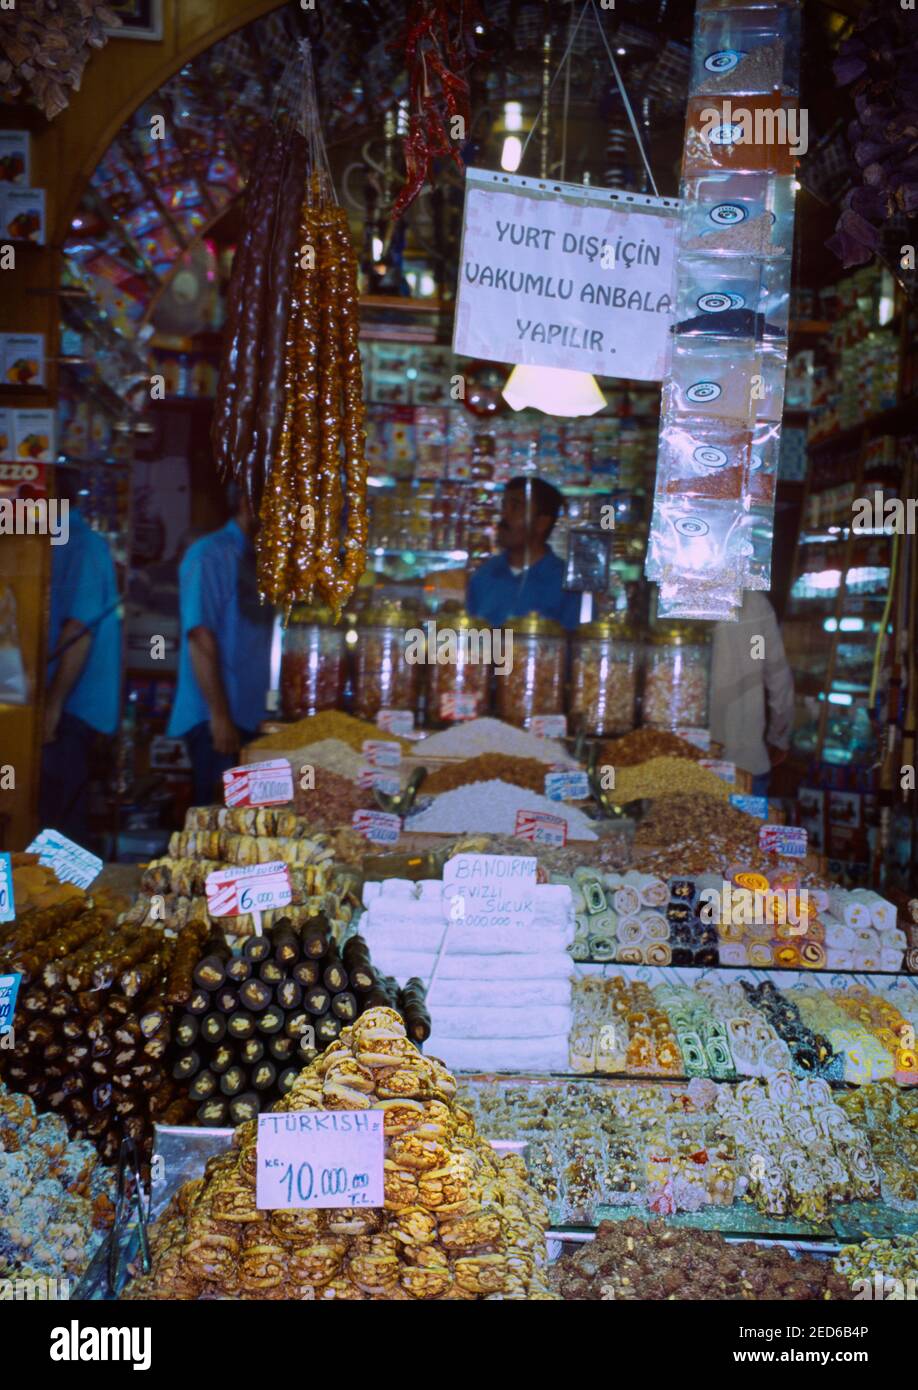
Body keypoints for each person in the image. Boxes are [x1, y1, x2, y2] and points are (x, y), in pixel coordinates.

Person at [167, 490, 275, 804]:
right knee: (217, 819)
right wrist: (220, 717)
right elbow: (200, 635)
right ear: (247, 503)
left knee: (246, 821)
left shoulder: (258, 556)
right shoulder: (210, 554)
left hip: (249, 716)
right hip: (216, 721)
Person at [41, 470, 122, 845]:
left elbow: (78, 630)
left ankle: (70, 902)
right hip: (66, 707)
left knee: (60, 828)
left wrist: (52, 705)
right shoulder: (56, 540)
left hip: (71, 710)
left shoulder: (82, 544)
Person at [709, 590, 795, 798]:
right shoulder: (753, 603)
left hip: (678, 762)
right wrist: (779, 737)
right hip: (745, 764)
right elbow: (776, 676)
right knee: (746, 829)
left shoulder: (669, 596)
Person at [466, 475, 582, 629]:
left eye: (515, 507)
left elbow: (581, 645)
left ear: (542, 523)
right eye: (504, 507)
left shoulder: (567, 584)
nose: (504, 516)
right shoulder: (483, 576)